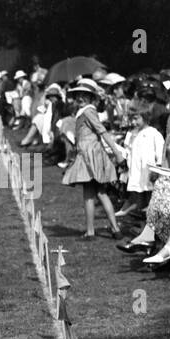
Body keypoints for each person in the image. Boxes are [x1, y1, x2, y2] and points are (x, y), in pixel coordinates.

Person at [61, 79, 124, 239]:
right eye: (78, 95)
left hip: (90, 155)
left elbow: (102, 132)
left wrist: (117, 153)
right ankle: (114, 229)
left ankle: (93, 231)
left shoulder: (88, 111)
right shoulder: (84, 111)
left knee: (92, 193)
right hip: (88, 152)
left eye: (85, 95)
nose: (81, 98)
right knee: (99, 192)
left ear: (91, 97)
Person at [116, 109, 163, 219]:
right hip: (137, 171)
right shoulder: (132, 134)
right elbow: (129, 151)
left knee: (150, 197)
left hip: (148, 171)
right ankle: (142, 222)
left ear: (145, 118)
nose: (133, 122)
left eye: (136, 118)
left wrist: (158, 168)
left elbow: (160, 151)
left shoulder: (153, 133)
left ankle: (150, 226)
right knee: (139, 195)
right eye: (132, 119)